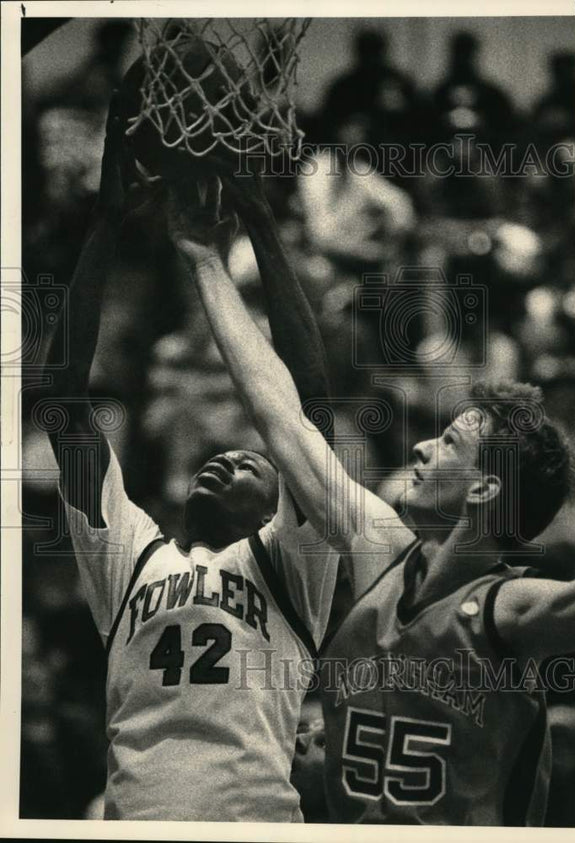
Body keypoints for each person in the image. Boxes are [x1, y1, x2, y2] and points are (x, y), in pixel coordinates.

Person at [178, 168, 575, 826]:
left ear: (486, 487)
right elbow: (281, 417)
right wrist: (206, 259)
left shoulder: (509, 609)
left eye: (449, 443)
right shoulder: (381, 552)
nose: (420, 447)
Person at [43, 96, 339, 822]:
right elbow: (65, 401)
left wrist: (261, 220)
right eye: (232, 457)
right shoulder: (129, 559)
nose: (227, 460)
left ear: (278, 507)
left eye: (252, 463)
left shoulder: (289, 567)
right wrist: (107, 221)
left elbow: (309, 409)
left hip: (253, 822)